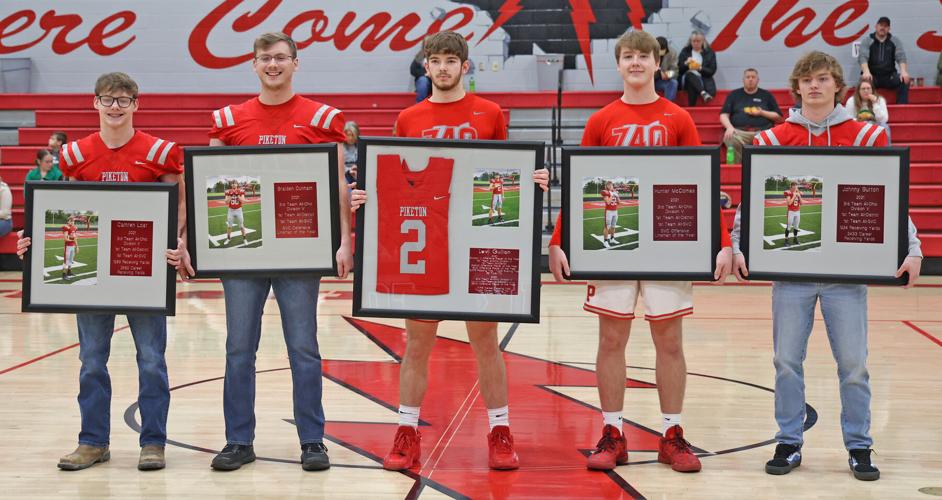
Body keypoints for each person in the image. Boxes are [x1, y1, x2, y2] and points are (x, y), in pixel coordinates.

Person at [350, 30, 549, 472]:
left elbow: (503, 171)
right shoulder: (408, 118)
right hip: (428, 240)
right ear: (426, 66)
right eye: (435, 61)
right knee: (416, 344)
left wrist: (531, 181)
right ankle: (406, 433)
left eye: (450, 61)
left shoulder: (491, 113)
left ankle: (500, 431)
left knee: (486, 342)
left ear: (465, 66)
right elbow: (396, 180)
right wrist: (368, 198)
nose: (442, 68)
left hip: (477, 241)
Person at [730, 50, 923, 481]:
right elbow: (753, 201)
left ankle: (859, 446)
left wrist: (912, 247)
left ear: (839, 85)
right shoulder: (771, 140)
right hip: (790, 271)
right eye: (807, 79)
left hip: (846, 273)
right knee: (785, 361)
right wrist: (738, 243)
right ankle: (789, 441)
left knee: (854, 364)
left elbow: (890, 199)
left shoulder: (867, 137)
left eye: (823, 78)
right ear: (796, 87)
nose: (814, 85)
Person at [547, 30, 734, 472]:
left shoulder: (678, 118)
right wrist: (557, 239)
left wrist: (723, 241)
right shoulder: (601, 120)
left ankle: (672, 434)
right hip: (610, 245)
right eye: (627, 56)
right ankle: (612, 432)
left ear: (657, 64)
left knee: (668, 340)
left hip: (669, 243)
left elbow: (704, 188)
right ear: (619, 64)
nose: (635, 63)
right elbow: (579, 189)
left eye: (642, 57)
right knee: (611, 338)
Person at [196, 32, 354, 472]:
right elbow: (209, 181)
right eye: (265, 58)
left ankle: (312, 440)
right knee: (238, 349)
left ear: (295, 63)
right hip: (244, 250)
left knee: (303, 347)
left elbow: (338, 182)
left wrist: (345, 239)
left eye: (281, 57)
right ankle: (238, 440)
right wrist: (198, 242)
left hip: (300, 246)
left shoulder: (322, 117)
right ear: (254, 64)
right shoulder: (228, 119)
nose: (273, 64)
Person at [17, 72, 189, 472]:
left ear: (136, 105)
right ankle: (93, 441)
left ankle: (153, 442)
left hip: (144, 273)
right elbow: (63, 209)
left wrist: (180, 241)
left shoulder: (161, 151)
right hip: (94, 276)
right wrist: (35, 240)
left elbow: (179, 204)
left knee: (151, 360)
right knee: (92, 360)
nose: (115, 107)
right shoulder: (75, 154)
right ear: (94, 103)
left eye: (123, 100)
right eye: (108, 99)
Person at [719, 68, 784, 163]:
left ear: (758, 80)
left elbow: (779, 118)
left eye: (753, 77)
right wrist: (729, 127)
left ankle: (762, 167)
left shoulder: (766, 95)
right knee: (730, 138)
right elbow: (724, 115)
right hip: (740, 133)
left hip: (762, 132)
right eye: (748, 77)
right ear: (743, 80)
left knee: (772, 138)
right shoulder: (734, 95)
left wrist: (762, 112)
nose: (750, 79)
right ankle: (736, 168)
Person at [858, 17, 910, 104]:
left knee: (904, 80)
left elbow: (901, 56)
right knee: (864, 81)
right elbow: (863, 57)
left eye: (886, 26)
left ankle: (901, 109)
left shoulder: (895, 41)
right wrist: (866, 72)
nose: (883, 28)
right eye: (881, 25)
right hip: (872, 76)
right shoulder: (867, 41)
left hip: (889, 76)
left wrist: (904, 71)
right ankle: (865, 108)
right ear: (876, 26)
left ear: (889, 29)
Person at [677, 30, 716, 106]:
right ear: (690, 41)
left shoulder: (709, 52)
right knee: (689, 75)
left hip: (703, 79)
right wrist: (686, 64)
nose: (695, 43)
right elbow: (678, 70)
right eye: (693, 41)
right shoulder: (685, 51)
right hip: (686, 79)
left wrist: (699, 68)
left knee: (691, 85)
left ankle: (692, 108)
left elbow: (712, 71)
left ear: (703, 41)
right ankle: (703, 93)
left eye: (698, 41)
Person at [223, 179, 247, 246]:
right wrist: (231, 195)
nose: (234, 184)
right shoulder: (228, 191)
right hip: (231, 210)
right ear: (231, 185)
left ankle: (244, 239)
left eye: (235, 183)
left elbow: (243, 201)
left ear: (237, 184)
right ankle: (228, 238)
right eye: (232, 183)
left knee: (241, 226)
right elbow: (226, 202)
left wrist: (238, 195)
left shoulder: (241, 191)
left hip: (239, 210)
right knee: (229, 226)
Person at [654, 36, 678, 102]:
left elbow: (675, 71)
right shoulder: (648, 52)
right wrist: (659, 73)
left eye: (663, 49)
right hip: (649, 81)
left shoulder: (672, 53)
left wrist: (668, 74)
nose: (661, 52)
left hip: (661, 81)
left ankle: (668, 107)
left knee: (673, 83)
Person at [601, 180, 620, 247]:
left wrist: (617, 196)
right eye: (608, 185)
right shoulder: (605, 192)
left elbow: (619, 203)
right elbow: (608, 202)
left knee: (613, 226)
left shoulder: (614, 192)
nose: (610, 186)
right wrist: (612, 195)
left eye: (611, 185)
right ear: (606, 186)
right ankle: (605, 241)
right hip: (608, 211)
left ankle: (612, 239)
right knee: (607, 227)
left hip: (615, 211)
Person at [343, 121, 359, 186]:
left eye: (352, 135)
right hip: (344, 177)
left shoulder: (360, 146)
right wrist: (348, 170)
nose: (350, 138)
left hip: (357, 176)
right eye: (348, 135)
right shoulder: (340, 147)